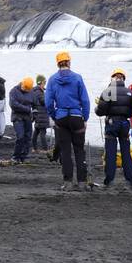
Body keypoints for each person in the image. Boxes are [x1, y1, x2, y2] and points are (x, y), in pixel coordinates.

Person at [44, 51, 93, 191]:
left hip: (61, 118)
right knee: (79, 150)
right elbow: (85, 100)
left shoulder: (52, 79)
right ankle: (82, 182)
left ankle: (68, 183)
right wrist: (85, 117)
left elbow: (48, 102)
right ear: (69, 62)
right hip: (76, 117)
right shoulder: (78, 78)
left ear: (57, 63)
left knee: (65, 151)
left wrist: (54, 116)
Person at [96, 68, 132, 189]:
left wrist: (97, 109)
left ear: (113, 78)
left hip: (112, 123)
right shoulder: (129, 92)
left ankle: (109, 181)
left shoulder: (108, 91)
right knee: (126, 153)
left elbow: (100, 111)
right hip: (124, 123)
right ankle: (131, 181)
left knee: (110, 153)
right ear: (123, 78)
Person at [7, 76, 36, 164]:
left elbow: (35, 104)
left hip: (27, 118)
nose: (26, 90)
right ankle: (16, 156)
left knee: (28, 137)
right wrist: (27, 109)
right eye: (25, 88)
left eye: (28, 89)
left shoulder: (31, 92)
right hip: (17, 117)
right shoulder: (14, 91)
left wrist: (34, 113)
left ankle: (23, 157)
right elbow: (13, 104)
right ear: (22, 84)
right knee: (20, 136)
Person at [32, 74, 51, 151]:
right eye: (44, 83)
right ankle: (45, 149)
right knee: (43, 132)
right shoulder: (39, 92)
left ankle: (35, 148)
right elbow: (44, 102)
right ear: (41, 83)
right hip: (41, 115)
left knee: (36, 132)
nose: (45, 84)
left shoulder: (35, 91)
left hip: (38, 115)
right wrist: (48, 97)